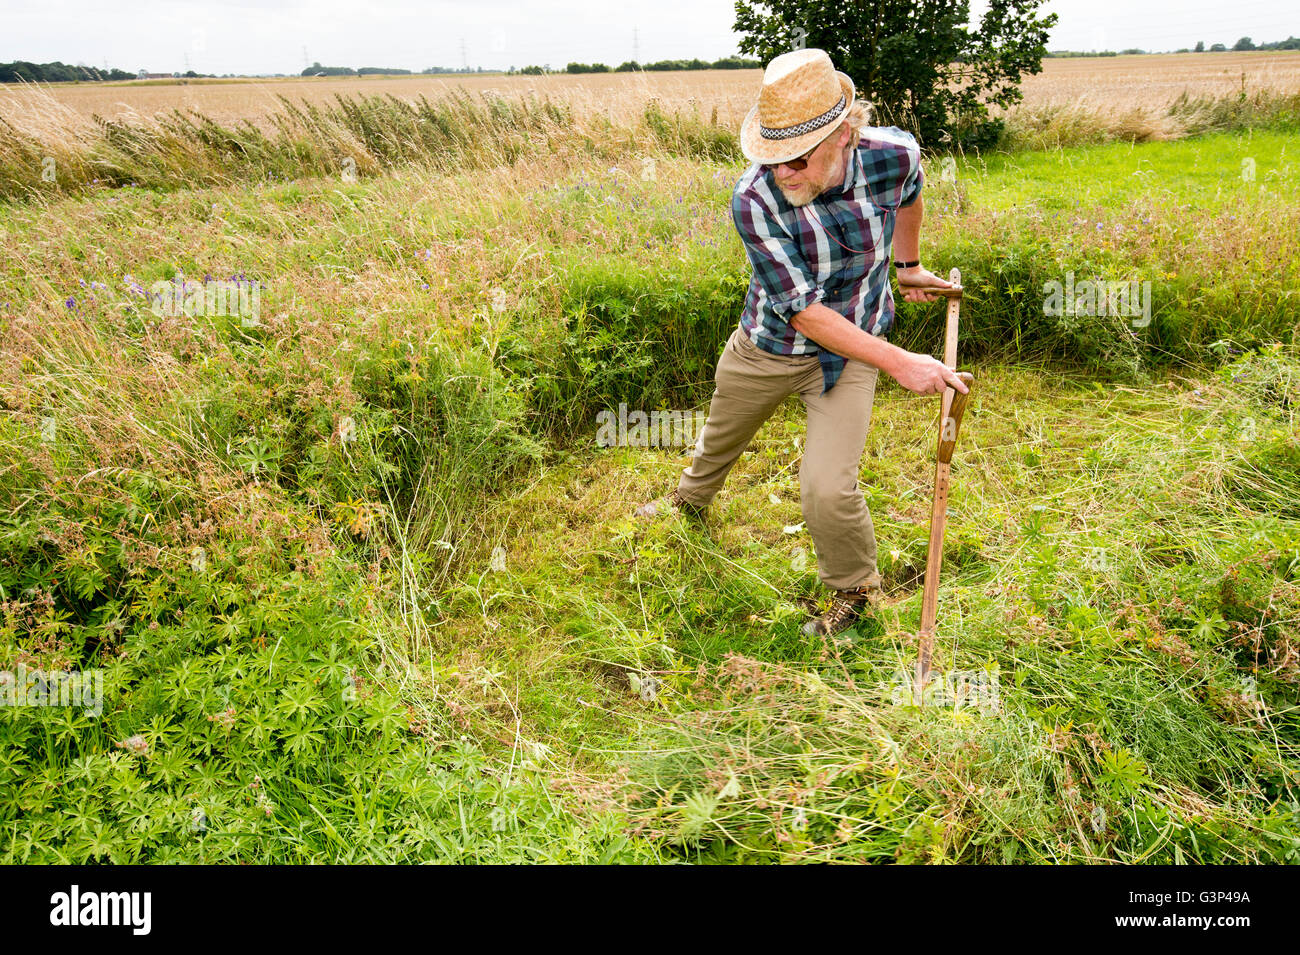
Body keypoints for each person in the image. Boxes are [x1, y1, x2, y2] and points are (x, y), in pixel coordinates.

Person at [636, 47, 969, 638]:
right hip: (768, 344)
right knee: (720, 436)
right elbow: (805, 313)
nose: (782, 172)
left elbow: (911, 192)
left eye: (796, 158)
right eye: (772, 156)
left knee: (827, 489)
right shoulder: (754, 198)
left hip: (852, 353)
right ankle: (689, 503)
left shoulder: (895, 156)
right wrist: (900, 362)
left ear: (844, 135)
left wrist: (909, 264)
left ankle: (852, 593)